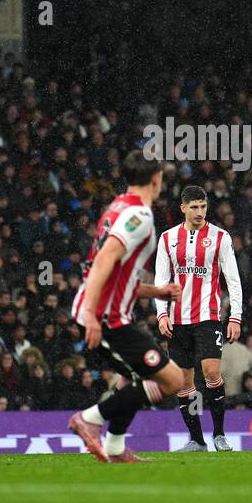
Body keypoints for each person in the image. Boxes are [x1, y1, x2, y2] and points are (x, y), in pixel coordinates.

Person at [67, 150, 183, 463]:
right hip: (106, 318)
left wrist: (157, 291)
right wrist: (92, 314)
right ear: (156, 179)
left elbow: (118, 272)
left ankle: (116, 447)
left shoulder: (117, 207)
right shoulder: (140, 216)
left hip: (111, 313)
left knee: (132, 380)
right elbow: (104, 260)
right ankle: (89, 418)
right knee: (172, 381)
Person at [155, 185, 242, 452]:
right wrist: (161, 313)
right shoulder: (168, 238)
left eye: (203, 206)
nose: (199, 212)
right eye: (194, 207)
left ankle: (219, 434)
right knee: (183, 382)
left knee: (212, 372)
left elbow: (233, 280)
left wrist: (235, 316)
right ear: (183, 208)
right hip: (178, 320)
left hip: (209, 316)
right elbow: (161, 279)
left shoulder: (220, 237)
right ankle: (197, 440)